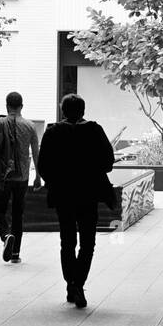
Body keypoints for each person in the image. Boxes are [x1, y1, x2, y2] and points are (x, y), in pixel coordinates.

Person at [36, 93, 116, 309]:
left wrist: (58, 180)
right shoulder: (94, 130)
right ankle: (78, 283)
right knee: (87, 242)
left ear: (63, 110)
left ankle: (71, 283)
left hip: (63, 196)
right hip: (88, 195)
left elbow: (43, 166)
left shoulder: (53, 132)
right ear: (83, 110)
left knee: (67, 241)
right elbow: (108, 162)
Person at [0, 91, 40, 263]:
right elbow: (36, 153)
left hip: (3, 176)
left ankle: (6, 235)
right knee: (18, 214)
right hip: (22, 177)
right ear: (21, 106)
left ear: (6, 105)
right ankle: (15, 254)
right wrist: (38, 176)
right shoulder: (30, 126)